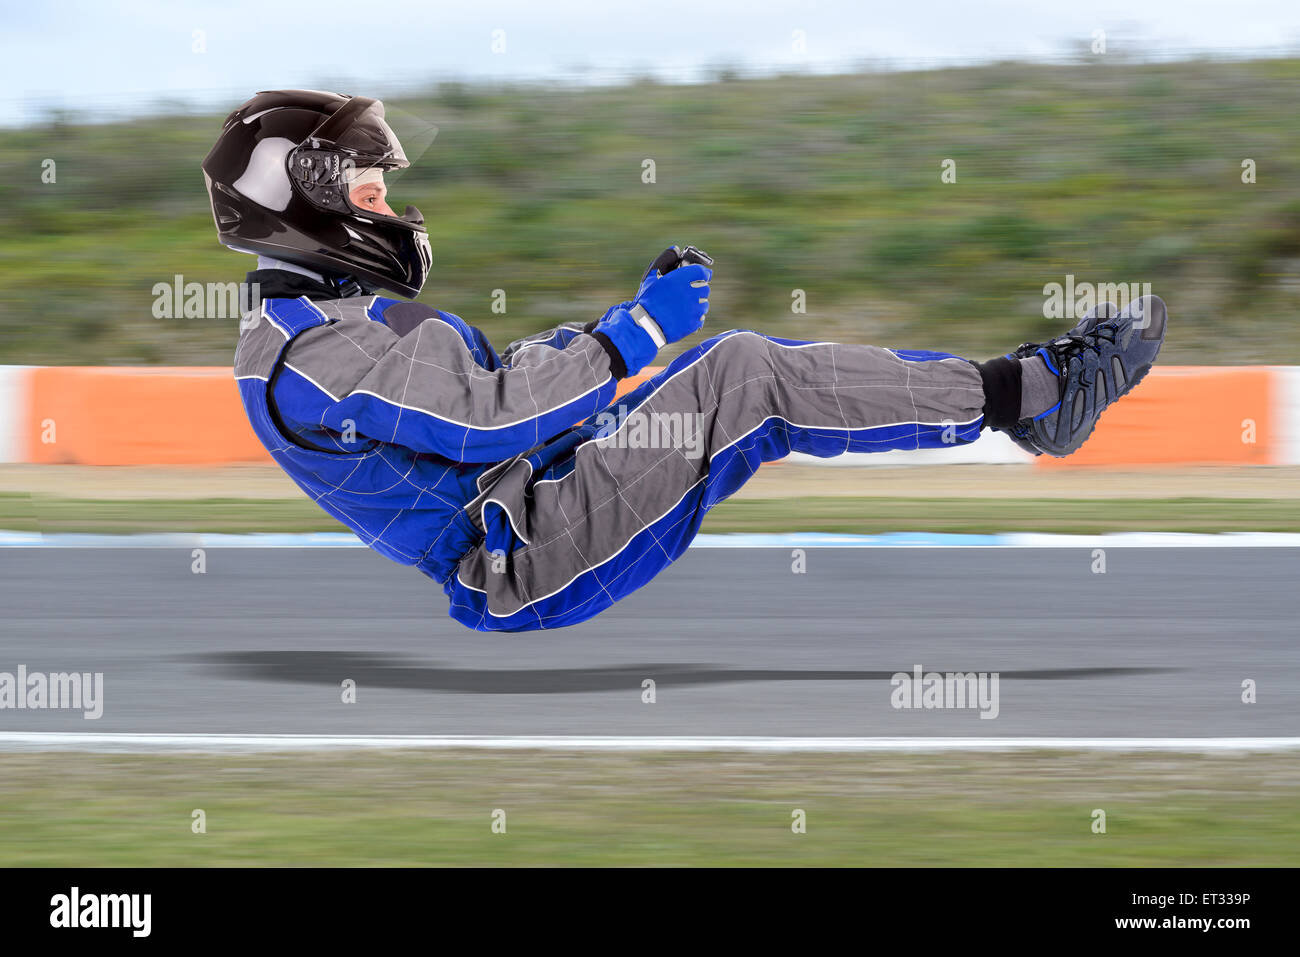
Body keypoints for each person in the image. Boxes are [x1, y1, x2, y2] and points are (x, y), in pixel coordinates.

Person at [202, 90, 1167, 632]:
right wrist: (630, 334)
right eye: (368, 196)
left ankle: (1028, 397)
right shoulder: (310, 355)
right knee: (747, 374)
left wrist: (611, 329)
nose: (389, 210)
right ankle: (1036, 396)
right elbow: (487, 419)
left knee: (745, 366)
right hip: (525, 550)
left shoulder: (331, 324)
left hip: (548, 486)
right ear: (304, 209)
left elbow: (492, 403)